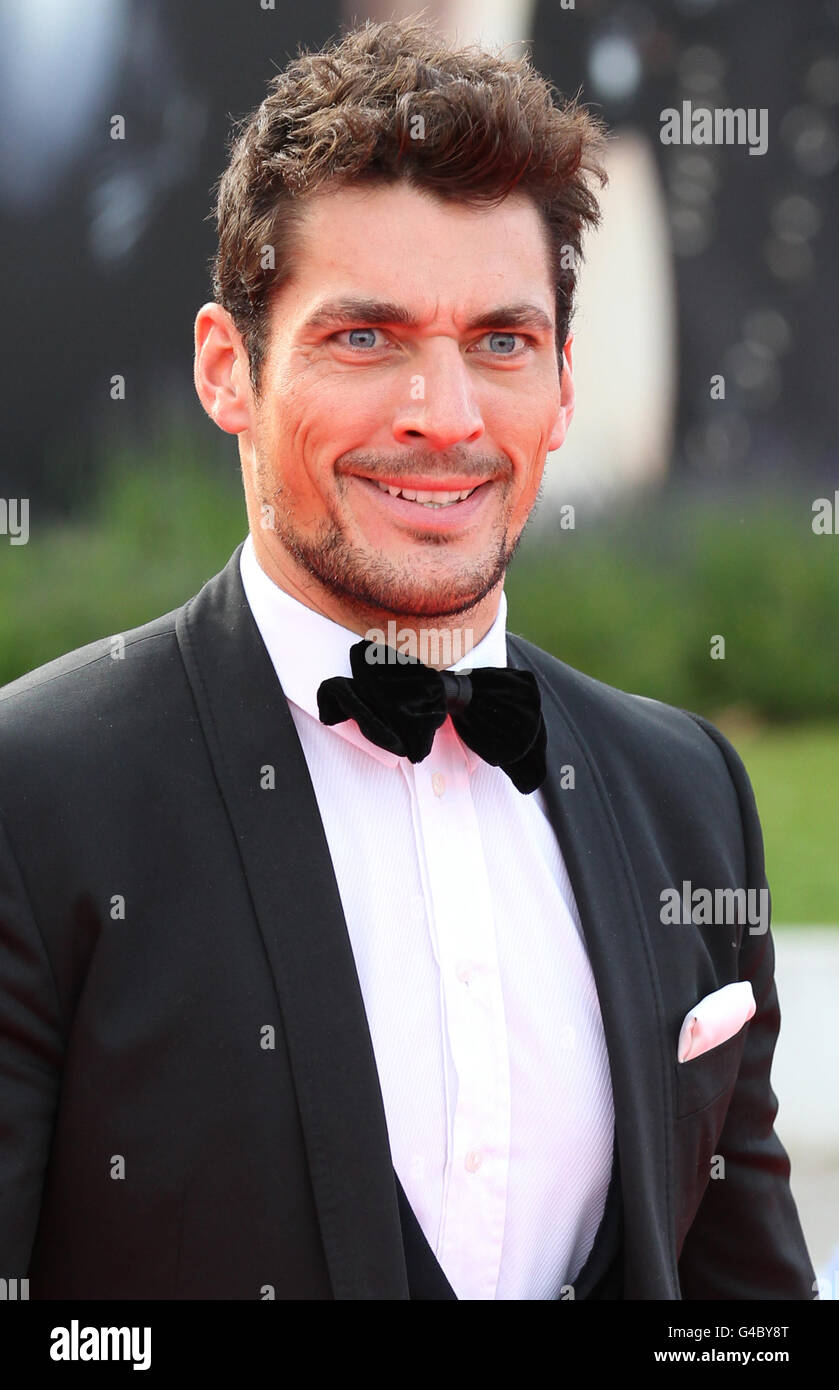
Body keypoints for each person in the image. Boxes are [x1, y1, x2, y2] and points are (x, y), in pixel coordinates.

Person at [0, 17, 816, 1300]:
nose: (442, 416)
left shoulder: (687, 797)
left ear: (557, 381)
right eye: (364, 338)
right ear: (230, 369)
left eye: (498, 340)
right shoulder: (33, 793)